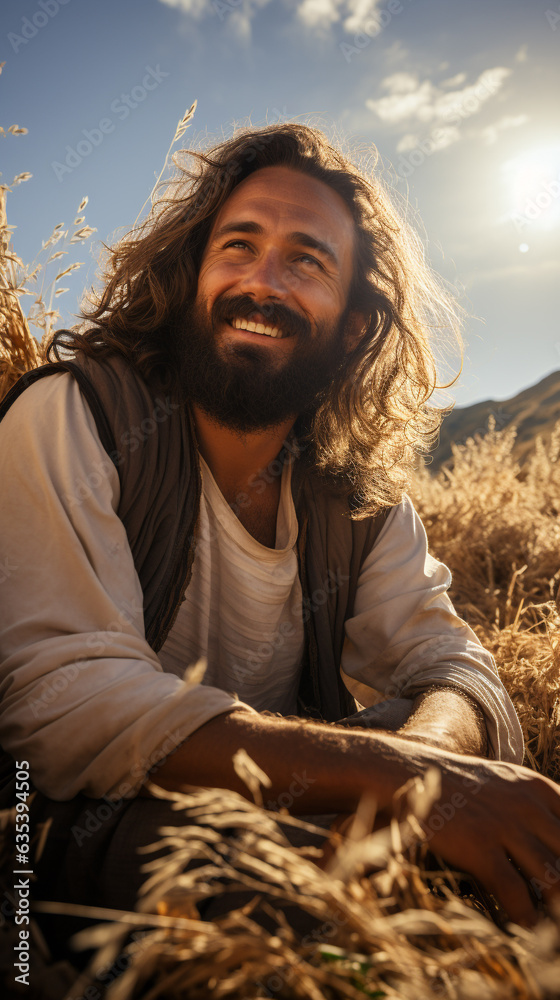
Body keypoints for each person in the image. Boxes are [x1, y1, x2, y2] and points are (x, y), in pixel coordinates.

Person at [0, 123, 558, 947]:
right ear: (193, 273)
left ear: (356, 326)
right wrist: (407, 780)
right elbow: (61, 707)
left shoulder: (357, 498)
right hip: (71, 826)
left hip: (295, 805)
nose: (261, 281)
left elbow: (454, 664)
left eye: (307, 260)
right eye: (238, 245)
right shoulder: (78, 416)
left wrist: (429, 768)